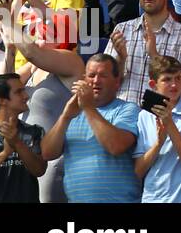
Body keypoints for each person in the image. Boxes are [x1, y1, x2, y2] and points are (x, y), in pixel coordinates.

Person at [39, 53, 140, 203]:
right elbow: (47, 153)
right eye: (91, 75)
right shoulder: (72, 113)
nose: (96, 81)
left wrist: (88, 108)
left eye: (103, 75)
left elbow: (115, 146)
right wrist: (65, 116)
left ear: (117, 82)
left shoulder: (128, 109)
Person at [105, 0, 181, 106]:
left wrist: (155, 56)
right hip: (121, 113)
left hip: (159, 115)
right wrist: (121, 58)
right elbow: (107, 84)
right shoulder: (122, 29)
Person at [132, 54, 181, 204]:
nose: (174, 85)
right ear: (153, 84)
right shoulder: (144, 116)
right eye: (167, 79)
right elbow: (138, 172)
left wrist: (169, 124)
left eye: (178, 78)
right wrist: (158, 144)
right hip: (152, 199)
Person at [0, 71, 48, 203]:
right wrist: (5, 154)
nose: (26, 96)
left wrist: (17, 143)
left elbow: (39, 170)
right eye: (19, 92)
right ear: (2, 100)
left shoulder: (34, 131)